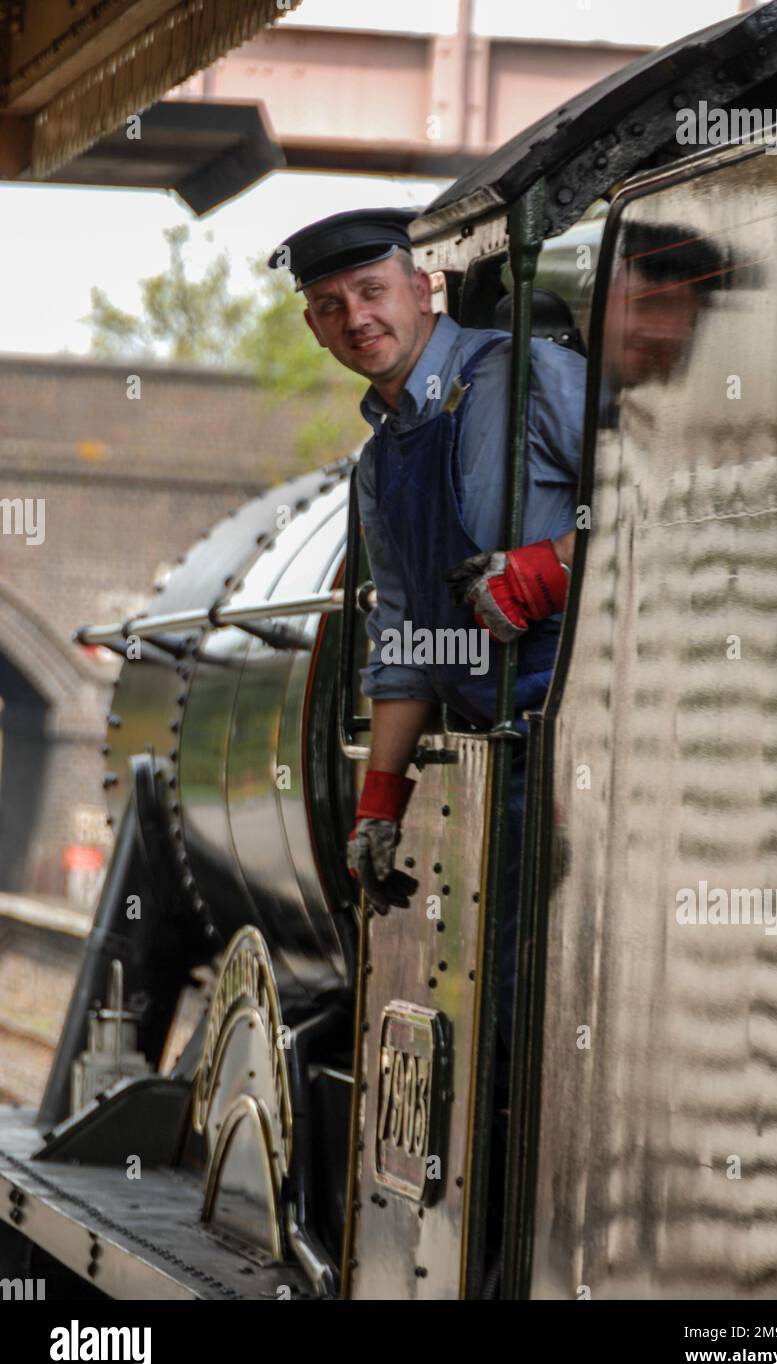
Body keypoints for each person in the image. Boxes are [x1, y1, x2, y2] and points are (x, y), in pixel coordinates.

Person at [268, 207, 586, 1051]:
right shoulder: (378, 462)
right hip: (497, 753)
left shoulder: (532, 377)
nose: (356, 318)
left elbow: (682, 495)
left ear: (421, 289)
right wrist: (379, 805)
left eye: (371, 292)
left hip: (585, 740)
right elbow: (405, 639)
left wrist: (551, 566)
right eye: (331, 306)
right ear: (313, 327)